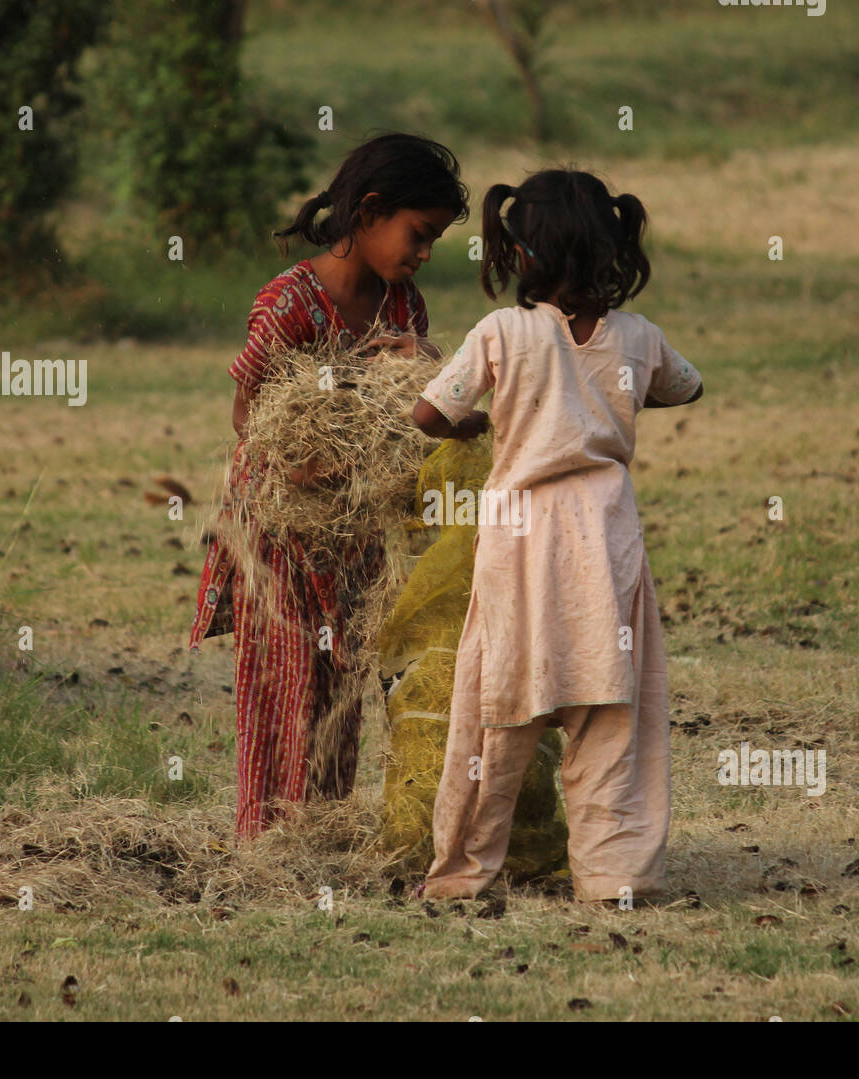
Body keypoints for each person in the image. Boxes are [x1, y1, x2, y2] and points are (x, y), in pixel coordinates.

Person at [412, 169, 703, 902]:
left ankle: (461, 875)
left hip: (518, 544)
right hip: (606, 544)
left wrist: (484, 418)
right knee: (610, 716)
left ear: (522, 256)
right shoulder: (639, 338)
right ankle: (614, 880)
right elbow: (687, 387)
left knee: (496, 713)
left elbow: (428, 416)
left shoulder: (502, 333)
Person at [190, 132, 469, 838]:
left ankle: (322, 831)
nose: (424, 253)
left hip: (356, 537)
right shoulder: (291, 301)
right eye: (419, 233)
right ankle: (266, 839)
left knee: (340, 682)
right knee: (283, 683)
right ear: (370, 211)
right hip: (281, 528)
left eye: (433, 240)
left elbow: (414, 408)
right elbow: (247, 410)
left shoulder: (404, 310)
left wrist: (429, 362)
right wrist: (306, 465)